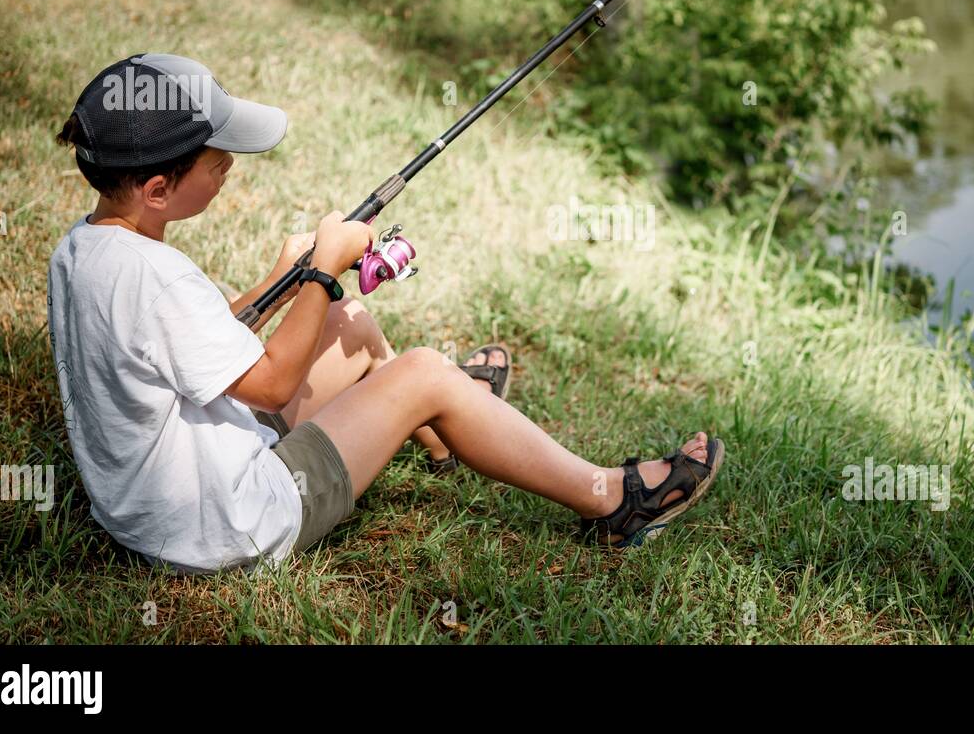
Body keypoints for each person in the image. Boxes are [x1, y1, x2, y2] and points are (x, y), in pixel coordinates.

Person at [46, 53, 724, 574]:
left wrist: (280, 280)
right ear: (160, 188)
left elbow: (188, 342)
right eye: (219, 163)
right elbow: (275, 384)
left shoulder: (86, 249)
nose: (230, 169)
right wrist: (320, 271)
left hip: (155, 500)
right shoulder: (157, 278)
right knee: (424, 371)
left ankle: (450, 428)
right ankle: (613, 502)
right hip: (228, 519)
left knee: (352, 325)